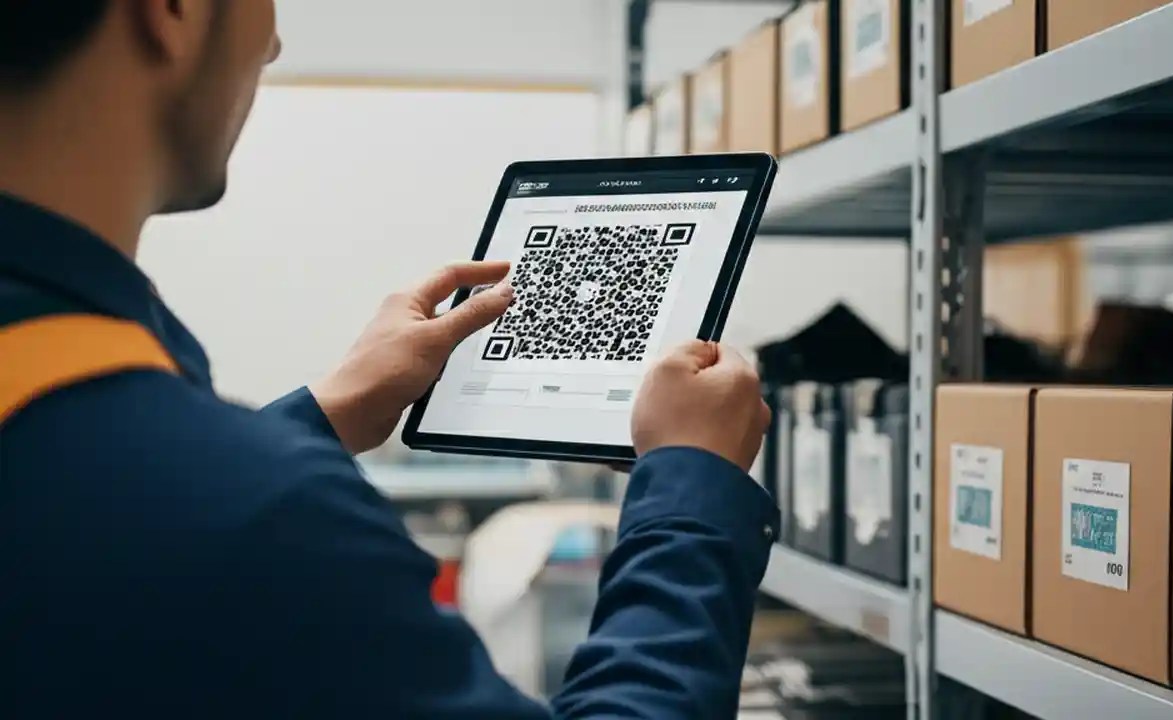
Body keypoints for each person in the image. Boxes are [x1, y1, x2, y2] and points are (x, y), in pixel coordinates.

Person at [0, 1, 780, 718]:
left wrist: (322, 416)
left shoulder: (111, 456)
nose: (272, 45)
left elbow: (111, 504)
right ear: (169, 10)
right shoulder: (261, 523)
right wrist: (692, 488)